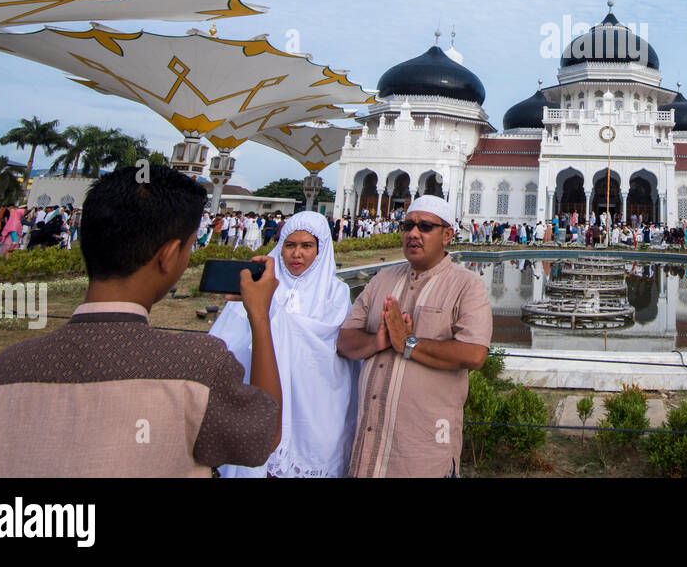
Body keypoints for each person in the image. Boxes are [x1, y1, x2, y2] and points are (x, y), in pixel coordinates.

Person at [0, 165, 283, 477]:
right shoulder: (197, 364)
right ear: (169, 256)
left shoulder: (3, 371)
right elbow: (264, 437)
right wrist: (260, 317)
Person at [338, 194, 491, 477]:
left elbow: (474, 354)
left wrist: (408, 343)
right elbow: (345, 340)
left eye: (425, 227)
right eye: (407, 225)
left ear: (447, 235)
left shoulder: (467, 286)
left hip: (423, 453)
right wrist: (377, 342)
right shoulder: (381, 280)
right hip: (368, 452)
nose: (413, 234)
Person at [210, 211, 356, 477]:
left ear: (321, 249)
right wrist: (253, 304)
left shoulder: (335, 292)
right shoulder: (260, 286)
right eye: (290, 245)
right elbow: (228, 342)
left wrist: (267, 312)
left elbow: (326, 345)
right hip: (261, 390)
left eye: (306, 246)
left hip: (313, 400)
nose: (296, 254)